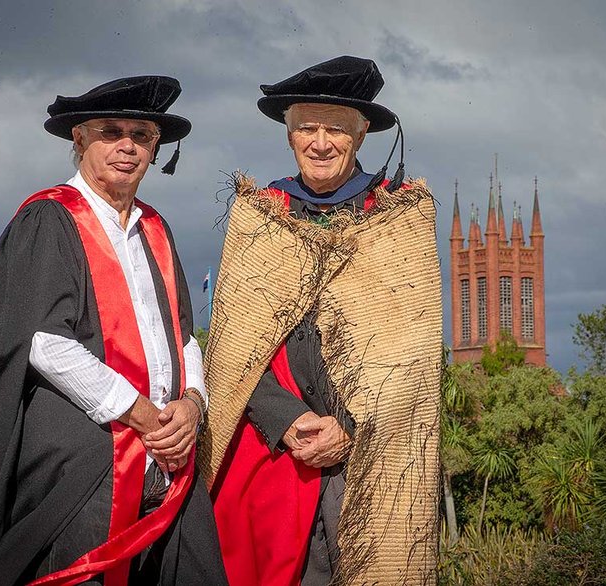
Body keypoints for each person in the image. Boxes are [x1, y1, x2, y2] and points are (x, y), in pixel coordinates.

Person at [0, 76, 228, 586]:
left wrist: (191, 403)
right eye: (111, 131)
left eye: (142, 135)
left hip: (166, 464)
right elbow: (44, 343)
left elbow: (183, 335)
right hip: (84, 463)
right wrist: (143, 415)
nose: (128, 146)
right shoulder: (49, 219)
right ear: (79, 140)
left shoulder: (155, 229)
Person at [202, 56, 443, 585]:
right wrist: (285, 418)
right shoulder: (263, 216)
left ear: (360, 135)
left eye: (335, 127)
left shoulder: (396, 217)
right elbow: (231, 351)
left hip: (371, 453)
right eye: (306, 127)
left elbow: (413, 359)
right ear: (289, 136)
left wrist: (350, 428)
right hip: (274, 448)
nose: (320, 141)